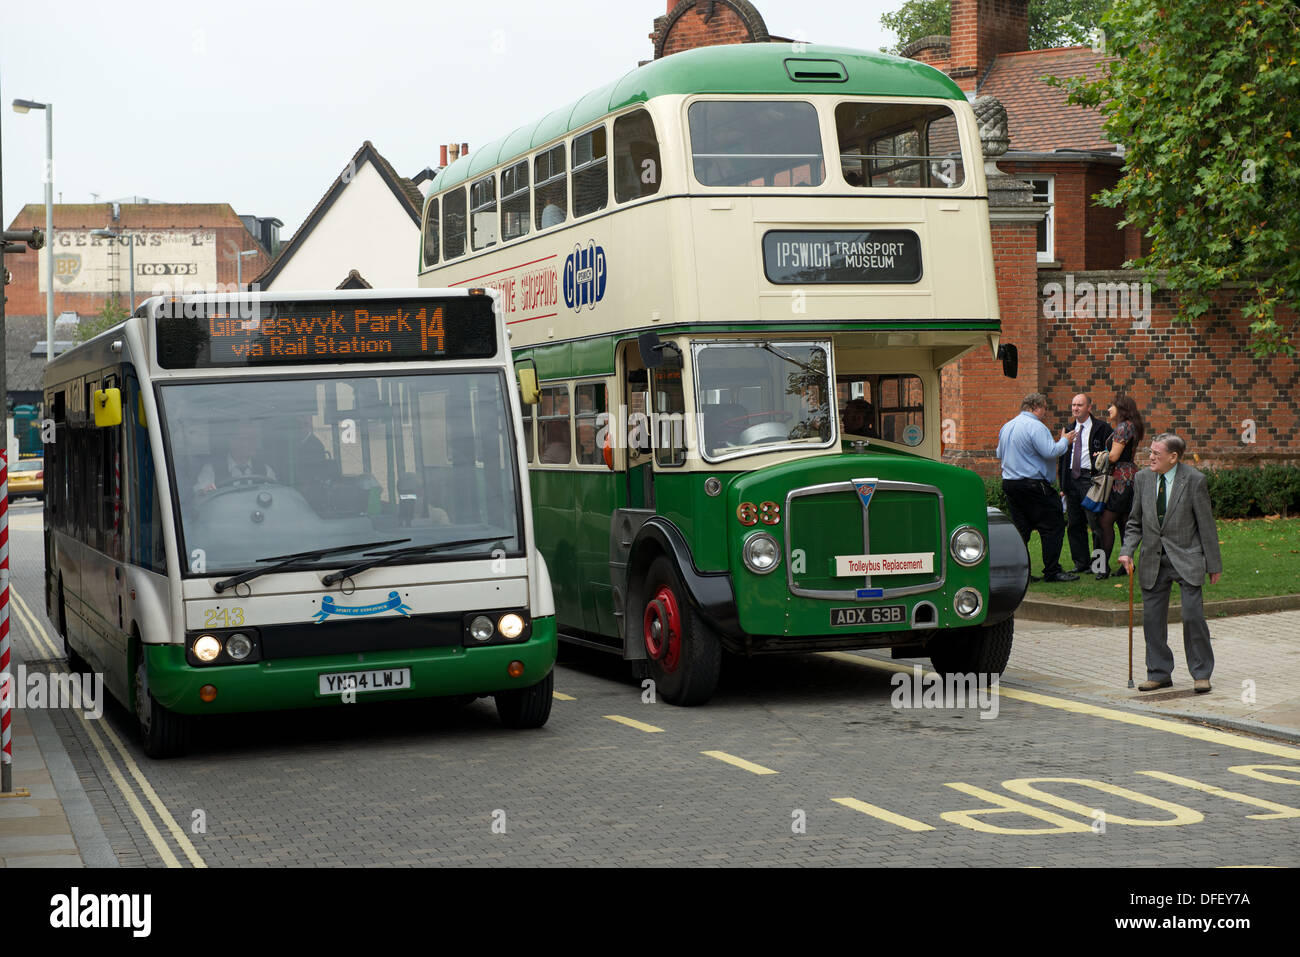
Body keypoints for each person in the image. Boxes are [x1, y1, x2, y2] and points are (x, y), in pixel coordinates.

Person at [1118, 433, 1222, 693]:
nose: (1150, 457)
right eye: (1150, 452)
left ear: (1173, 457)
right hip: (1153, 559)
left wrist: (1213, 564)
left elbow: (1206, 525)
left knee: (1192, 616)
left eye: (1156, 453)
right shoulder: (1142, 479)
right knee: (1152, 620)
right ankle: (1159, 672)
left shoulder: (1194, 480)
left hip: (1187, 557)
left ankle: (1201, 673)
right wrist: (1127, 549)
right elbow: (1134, 522)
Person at [996, 393, 1079, 582]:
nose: (1046, 413)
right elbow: (1050, 451)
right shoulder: (1036, 426)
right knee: (1052, 525)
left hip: (1010, 483)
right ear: (1036, 406)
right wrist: (1065, 440)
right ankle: (1052, 571)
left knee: (1021, 529)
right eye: (1045, 408)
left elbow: (999, 453)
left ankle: (1019, 572)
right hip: (1033, 484)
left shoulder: (1007, 426)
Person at [1057, 393, 1113, 575]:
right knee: (1074, 524)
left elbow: (1109, 454)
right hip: (1072, 480)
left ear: (1089, 407)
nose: (1075, 408)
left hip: (1091, 480)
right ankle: (1080, 562)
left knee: (1096, 523)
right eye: (1073, 405)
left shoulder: (1102, 428)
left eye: (1079, 405)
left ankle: (1098, 565)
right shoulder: (1069, 428)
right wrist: (1063, 486)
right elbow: (1063, 459)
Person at [1095, 395, 1144, 579]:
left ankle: (1101, 568)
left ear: (1121, 408)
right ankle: (1127, 565)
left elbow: (1114, 457)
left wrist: (1101, 455)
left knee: (1104, 522)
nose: (1109, 409)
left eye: (1112, 406)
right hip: (1130, 478)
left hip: (1120, 481)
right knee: (1124, 523)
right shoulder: (1132, 425)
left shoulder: (1123, 427)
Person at [194, 422, 276, 492]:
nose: (254, 443)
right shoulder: (211, 470)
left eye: (255, 438)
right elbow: (201, 496)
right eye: (248, 439)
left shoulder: (265, 470)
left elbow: (274, 495)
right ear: (232, 442)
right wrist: (206, 491)